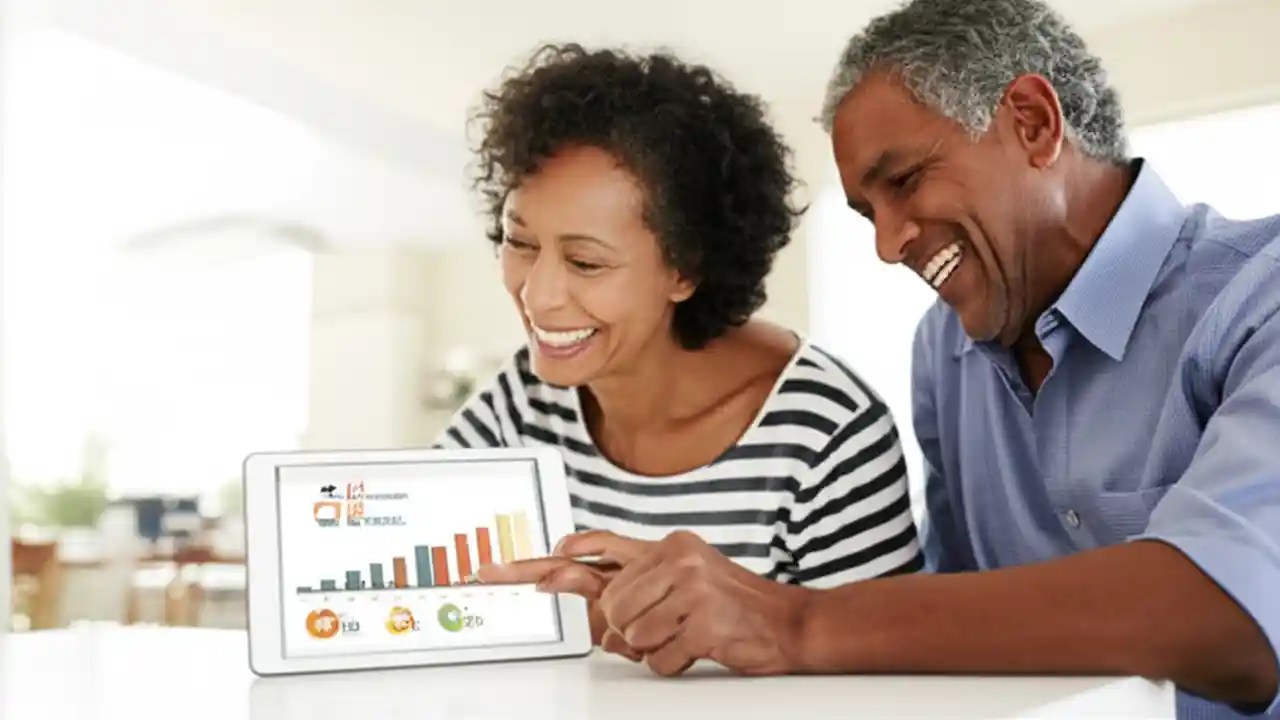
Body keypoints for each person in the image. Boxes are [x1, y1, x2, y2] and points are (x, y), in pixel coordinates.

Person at [477, 3, 1280, 718]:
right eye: (867, 212)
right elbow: (957, 630)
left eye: (906, 181)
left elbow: (1238, 619)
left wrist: (790, 619)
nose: (890, 244)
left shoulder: (1258, 299)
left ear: (1034, 123)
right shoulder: (949, 350)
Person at [436, 44, 923, 625]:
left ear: (685, 269)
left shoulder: (826, 435)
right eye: (520, 244)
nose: (537, 295)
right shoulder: (519, 406)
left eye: (586, 264)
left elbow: (884, 671)